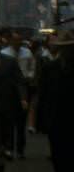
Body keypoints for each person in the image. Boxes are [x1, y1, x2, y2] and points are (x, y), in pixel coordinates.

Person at [34, 29, 74, 170]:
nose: (68, 51)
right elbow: (43, 94)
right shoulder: (50, 68)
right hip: (55, 119)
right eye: (66, 47)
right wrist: (41, 121)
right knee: (57, 156)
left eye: (71, 47)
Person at [0, 33, 26, 170]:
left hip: (8, 101)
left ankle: (5, 148)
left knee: (7, 128)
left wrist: (23, 98)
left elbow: (19, 80)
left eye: (0, 41)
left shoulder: (10, 61)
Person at [0, 31, 35, 158]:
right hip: (9, 90)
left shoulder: (27, 53)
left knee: (21, 122)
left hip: (24, 87)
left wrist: (29, 77)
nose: (18, 42)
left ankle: (20, 149)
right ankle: (9, 147)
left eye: (19, 40)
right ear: (10, 41)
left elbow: (32, 67)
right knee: (9, 121)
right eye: (15, 40)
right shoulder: (4, 54)